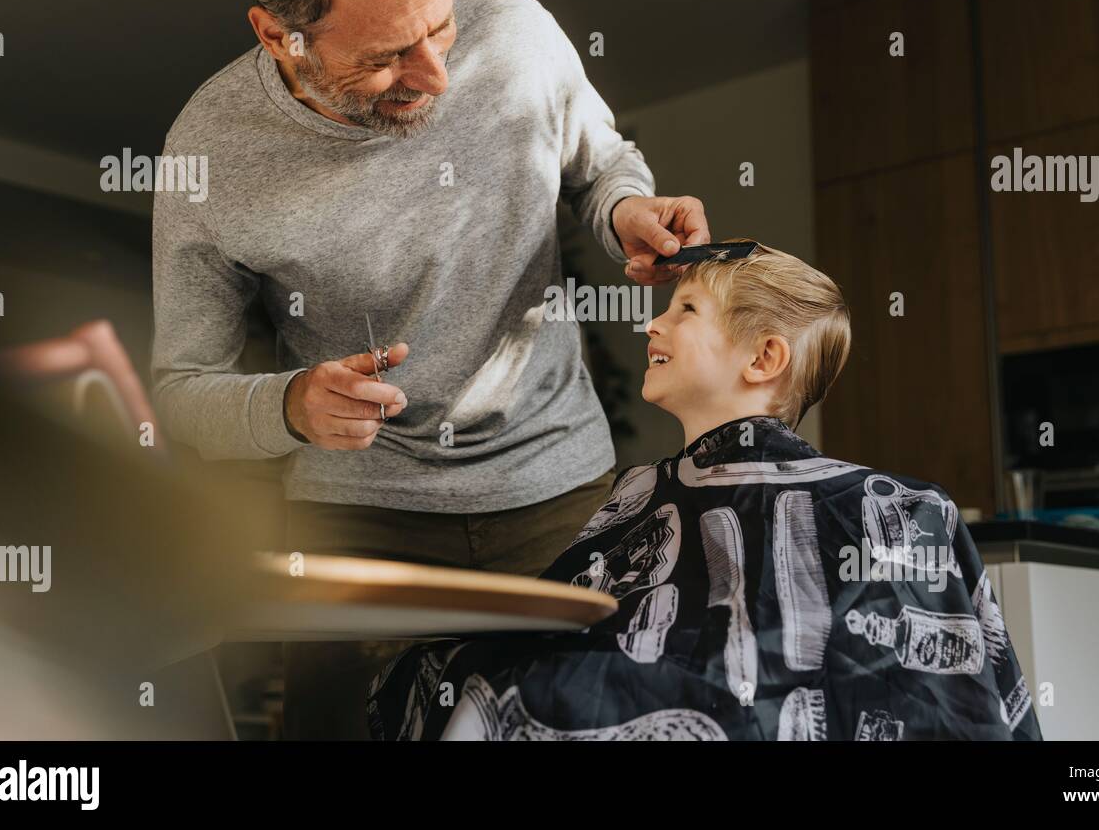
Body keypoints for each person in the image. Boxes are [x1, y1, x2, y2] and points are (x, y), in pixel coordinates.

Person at [152, 0, 711, 738]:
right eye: (384, 58)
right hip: (356, 519)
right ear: (278, 35)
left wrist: (624, 211)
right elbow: (184, 389)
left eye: (442, 30)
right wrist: (293, 405)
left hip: (558, 493)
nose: (438, 76)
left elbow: (600, 160)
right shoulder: (207, 152)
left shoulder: (521, 33)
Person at [367, 240, 1043, 740]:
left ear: (763, 358)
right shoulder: (641, 492)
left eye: (684, 309)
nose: (650, 325)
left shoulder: (893, 509)